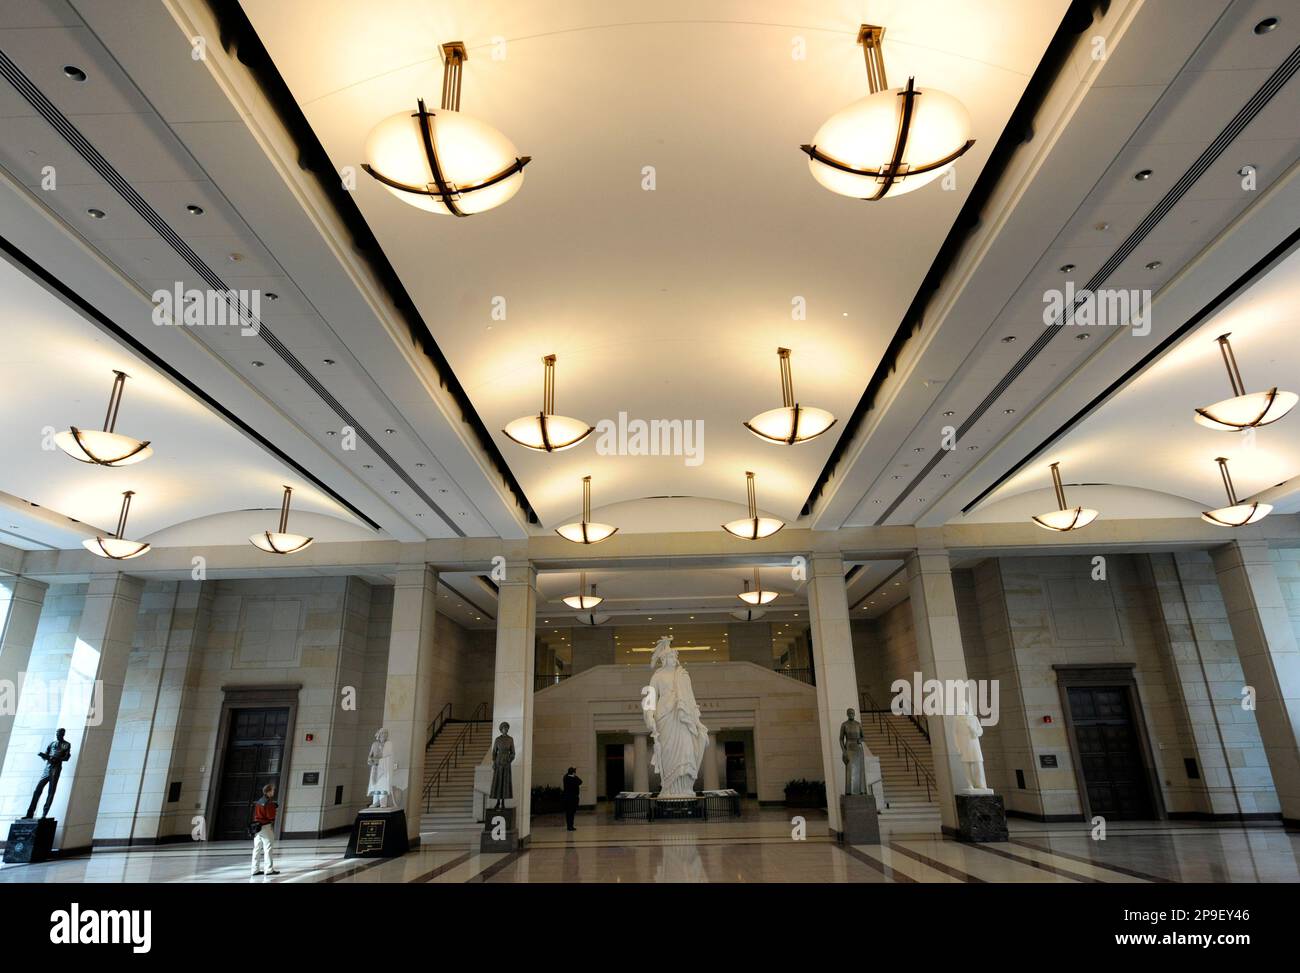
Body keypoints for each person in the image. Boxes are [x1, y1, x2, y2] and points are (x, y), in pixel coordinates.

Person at [26, 728, 72, 819]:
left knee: (51, 791)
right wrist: (45, 756)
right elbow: (46, 754)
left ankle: (44, 814)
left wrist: (57, 759)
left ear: (63, 734)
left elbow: (66, 758)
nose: (58, 735)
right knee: (37, 790)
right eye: (57, 734)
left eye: (59, 734)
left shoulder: (66, 744)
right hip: (47, 768)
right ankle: (29, 813)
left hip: (56, 768)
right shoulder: (52, 744)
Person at [251, 783, 280, 876]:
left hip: (257, 827)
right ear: (268, 791)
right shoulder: (269, 802)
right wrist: (274, 809)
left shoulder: (260, 801)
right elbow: (270, 816)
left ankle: (255, 869)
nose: (273, 792)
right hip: (265, 827)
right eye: (272, 790)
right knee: (268, 847)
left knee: (257, 849)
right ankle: (269, 869)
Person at [562, 767, 582, 831]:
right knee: (571, 813)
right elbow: (580, 781)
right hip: (573, 799)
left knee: (568, 813)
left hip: (567, 798)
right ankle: (570, 826)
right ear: (573, 772)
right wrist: (575, 776)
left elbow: (566, 775)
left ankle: (569, 826)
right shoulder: (574, 779)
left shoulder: (565, 778)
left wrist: (571, 774)